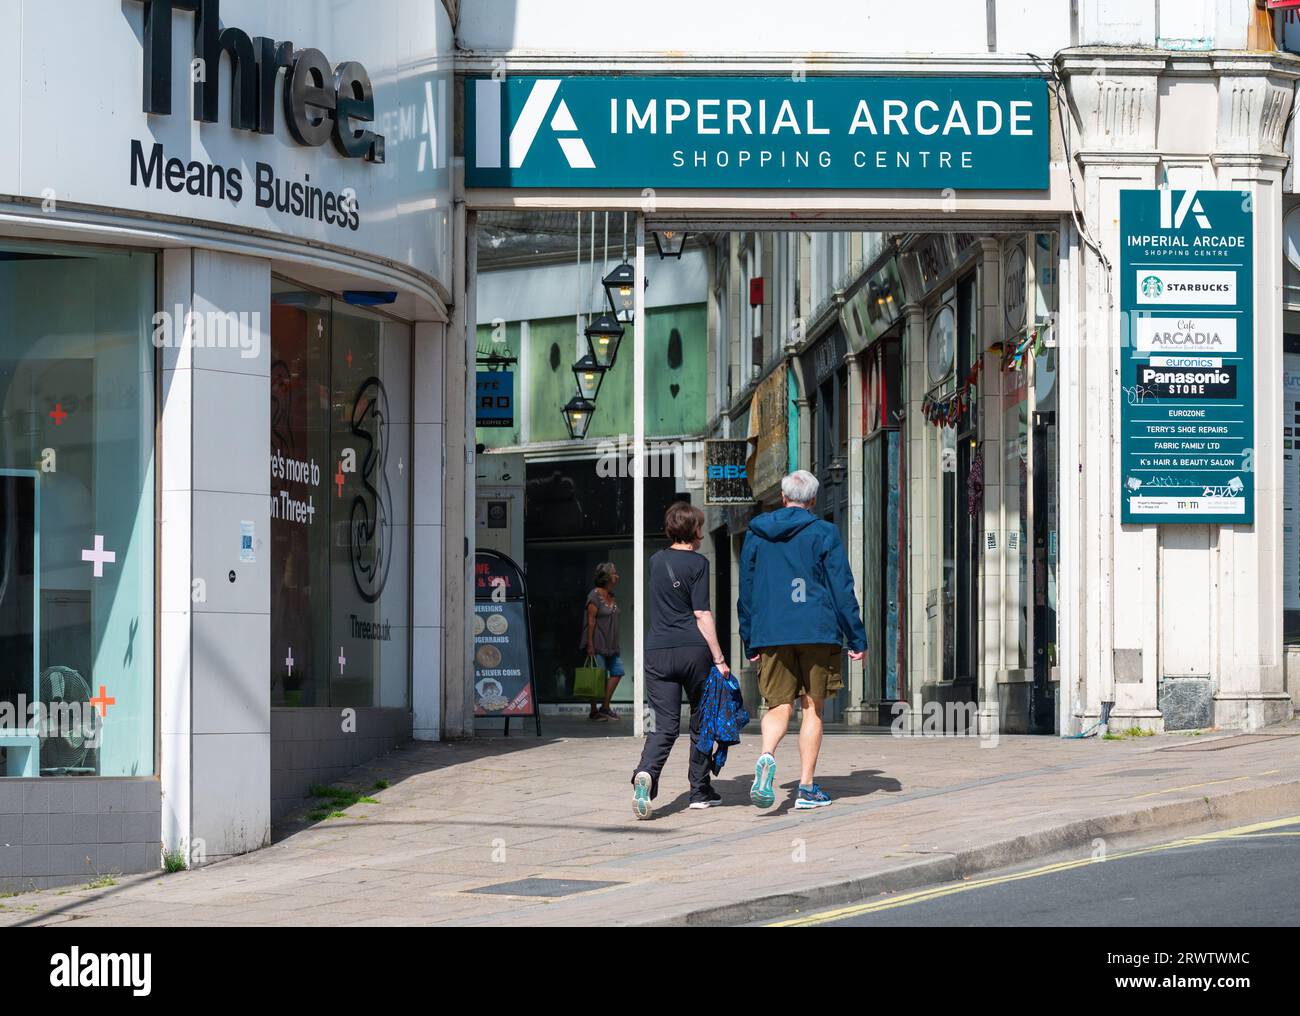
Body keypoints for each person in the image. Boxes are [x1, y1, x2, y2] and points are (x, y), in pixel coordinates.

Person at [738, 470, 867, 811]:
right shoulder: (824, 532)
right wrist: (856, 637)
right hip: (817, 630)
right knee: (813, 707)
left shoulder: (756, 534)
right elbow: (842, 588)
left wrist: (748, 636)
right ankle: (807, 788)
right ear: (812, 501)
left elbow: (747, 589)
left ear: (782, 498)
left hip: (772, 632)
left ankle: (766, 755)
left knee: (778, 705)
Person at [631, 502, 730, 819]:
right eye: (700, 526)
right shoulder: (699, 564)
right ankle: (700, 791)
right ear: (695, 530)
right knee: (701, 722)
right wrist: (719, 657)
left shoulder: (656, 561)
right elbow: (701, 613)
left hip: (658, 650)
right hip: (693, 650)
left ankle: (646, 773)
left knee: (664, 724)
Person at [581, 562, 624, 721]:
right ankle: (594, 711)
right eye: (614, 573)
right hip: (598, 643)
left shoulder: (612, 596)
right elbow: (591, 621)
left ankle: (605, 707)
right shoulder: (594, 596)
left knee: (618, 672)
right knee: (596, 678)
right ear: (606, 577)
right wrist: (590, 645)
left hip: (612, 644)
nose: (617, 576)